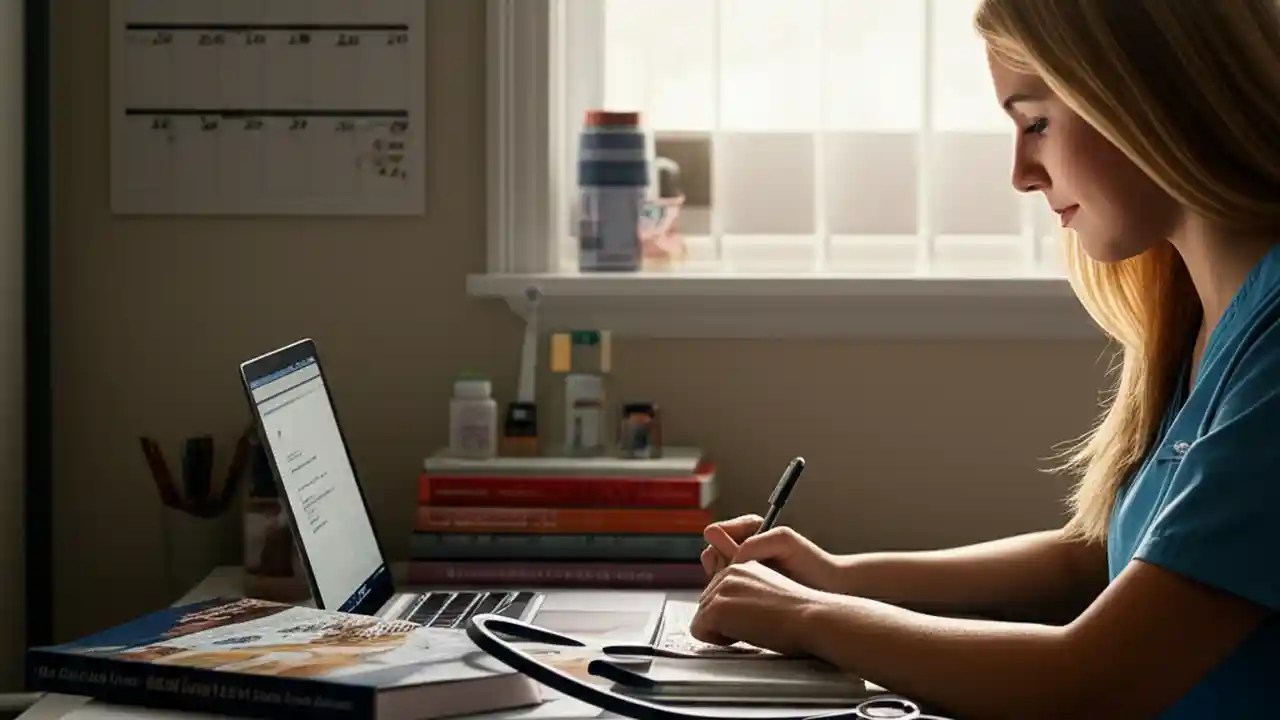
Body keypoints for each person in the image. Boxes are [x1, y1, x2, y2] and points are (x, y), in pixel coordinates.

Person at [691, 2, 1280, 718]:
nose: (1021, 173)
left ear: (1153, 95)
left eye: (1036, 122)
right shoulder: (1197, 316)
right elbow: (1105, 556)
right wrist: (841, 579)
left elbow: (1093, 680)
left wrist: (807, 618)